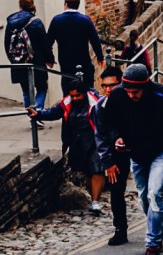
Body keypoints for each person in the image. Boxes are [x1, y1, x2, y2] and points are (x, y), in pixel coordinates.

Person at [99, 64, 163, 255]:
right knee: (143, 197)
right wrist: (117, 138)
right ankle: (159, 227)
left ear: (146, 85)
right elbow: (107, 123)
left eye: (136, 91)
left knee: (154, 193)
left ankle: (152, 245)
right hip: (136, 153)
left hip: (162, 151)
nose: (131, 95)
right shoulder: (117, 96)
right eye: (128, 91)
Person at [27, 78, 108, 214]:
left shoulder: (96, 102)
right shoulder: (66, 103)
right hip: (77, 142)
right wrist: (38, 114)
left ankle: (95, 202)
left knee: (96, 169)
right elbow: (54, 112)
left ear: (84, 93)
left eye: (78, 95)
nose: (75, 98)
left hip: (95, 140)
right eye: (73, 96)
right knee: (88, 171)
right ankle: (94, 198)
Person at [93, 66, 133, 245]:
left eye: (113, 85)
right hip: (116, 155)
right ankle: (120, 230)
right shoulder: (100, 107)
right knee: (116, 191)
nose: (108, 90)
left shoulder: (133, 100)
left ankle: (161, 218)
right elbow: (100, 136)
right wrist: (108, 162)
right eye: (105, 86)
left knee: (149, 189)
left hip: (139, 149)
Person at [4, 0, 51, 126]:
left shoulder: (11, 23)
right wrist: (49, 59)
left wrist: (13, 59)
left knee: (25, 90)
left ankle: (31, 115)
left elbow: (7, 44)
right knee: (42, 87)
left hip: (18, 63)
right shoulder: (35, 22)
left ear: (20, 6)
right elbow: (44, 44)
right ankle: (38, 113)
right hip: (36, 62)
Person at [46, 0, 105, 95]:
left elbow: (48, 42)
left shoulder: (57, 20)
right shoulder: (85, 20)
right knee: (87, 91)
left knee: (68, 91)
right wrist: (100, 57)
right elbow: (95, 40)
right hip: (83, 61)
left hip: (66, 63)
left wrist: (49, 59)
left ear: (66, 4)